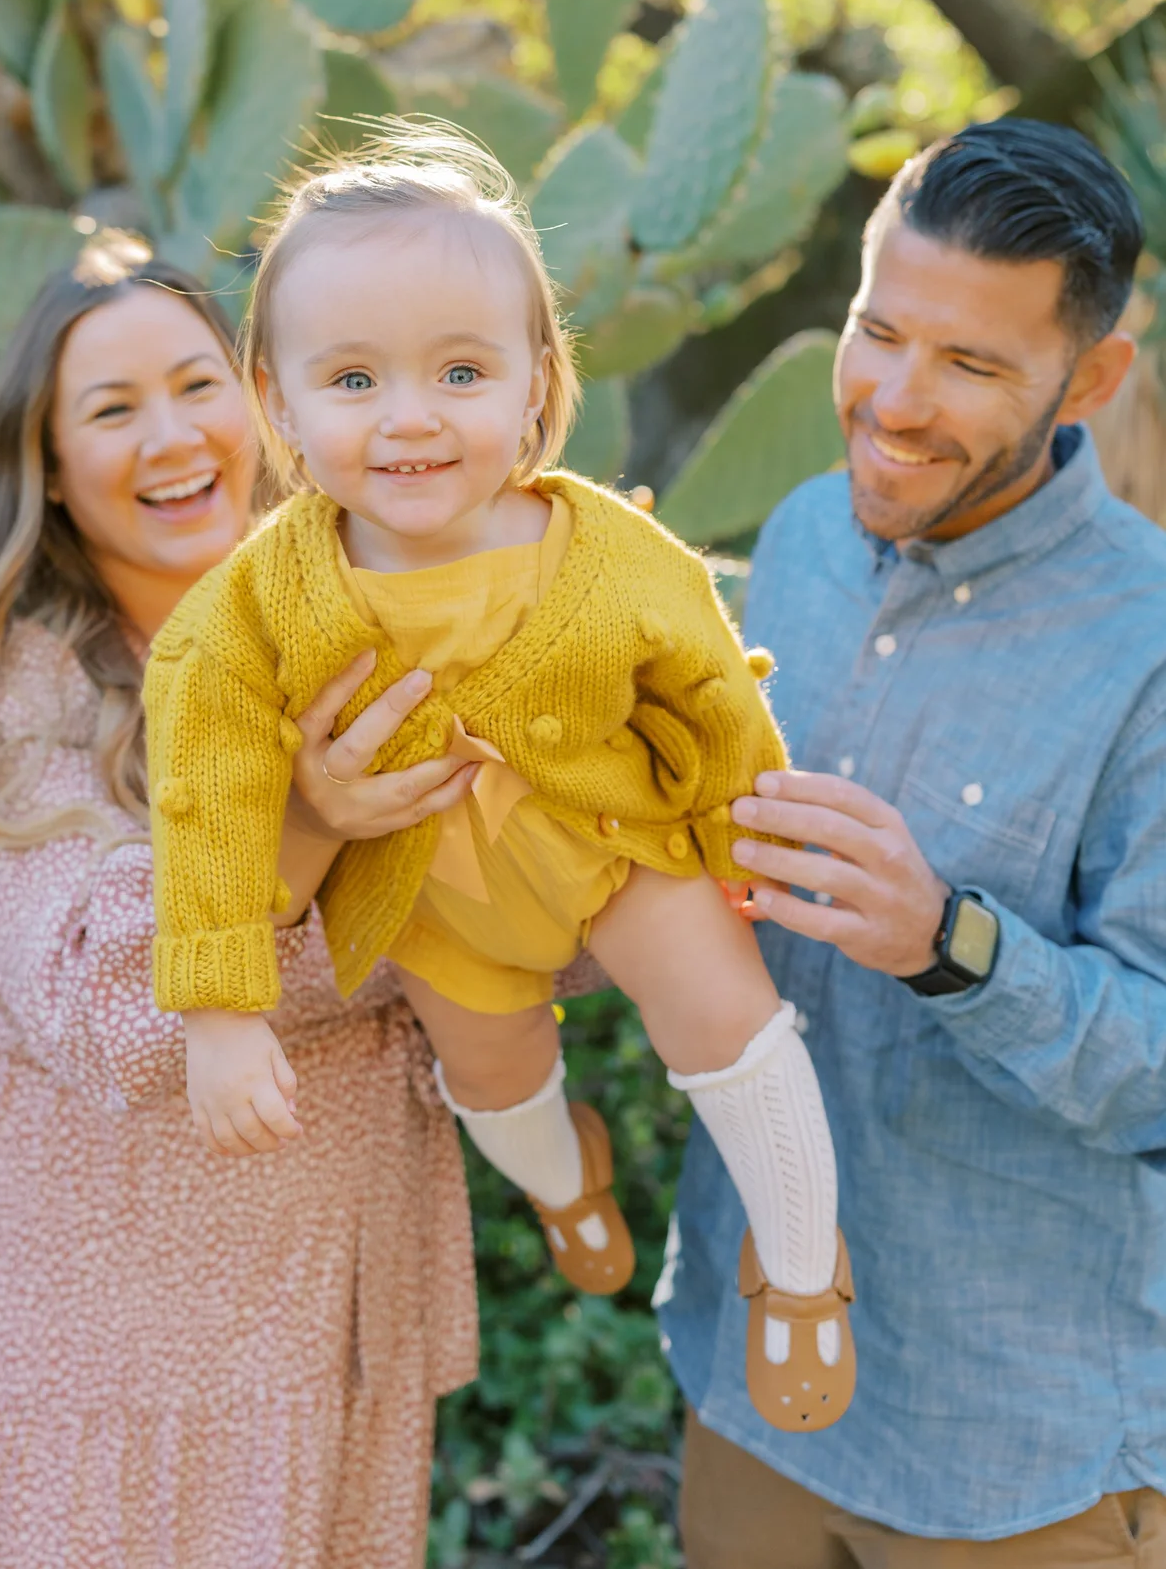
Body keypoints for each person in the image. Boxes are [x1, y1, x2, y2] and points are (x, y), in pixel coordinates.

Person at [145, 129, 856, 1432]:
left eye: (460, 370)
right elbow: (209, 788)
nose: (410, 416)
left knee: (729, 1013)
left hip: (613, 836)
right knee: (491, 1069)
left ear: (537, 382)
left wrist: (739, 831)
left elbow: (707, 684)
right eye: (353, 377)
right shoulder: (253, 604)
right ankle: (562, 1173)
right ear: (276, 400)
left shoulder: (604, 546)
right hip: (430, 892)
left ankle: (803, 1260)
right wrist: (219, 1008)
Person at [0, 238, 487, 1569]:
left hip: (314, 1336)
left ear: (264, 403)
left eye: (198, 383)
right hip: (63, 1364)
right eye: (113, 408)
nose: (173, 435)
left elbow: (523, 929)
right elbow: (127, 1021)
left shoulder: (380, 608)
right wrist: (319, 825)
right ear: (53, 471)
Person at [662, 120, 1166, 1565]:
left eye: (971, 364)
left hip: (1022, 1462)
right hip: (749, 1385)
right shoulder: (806, 536)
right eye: (880, 331)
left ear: (1091, 380)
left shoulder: (1152, 650)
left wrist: (948, 942)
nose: (893, 399)